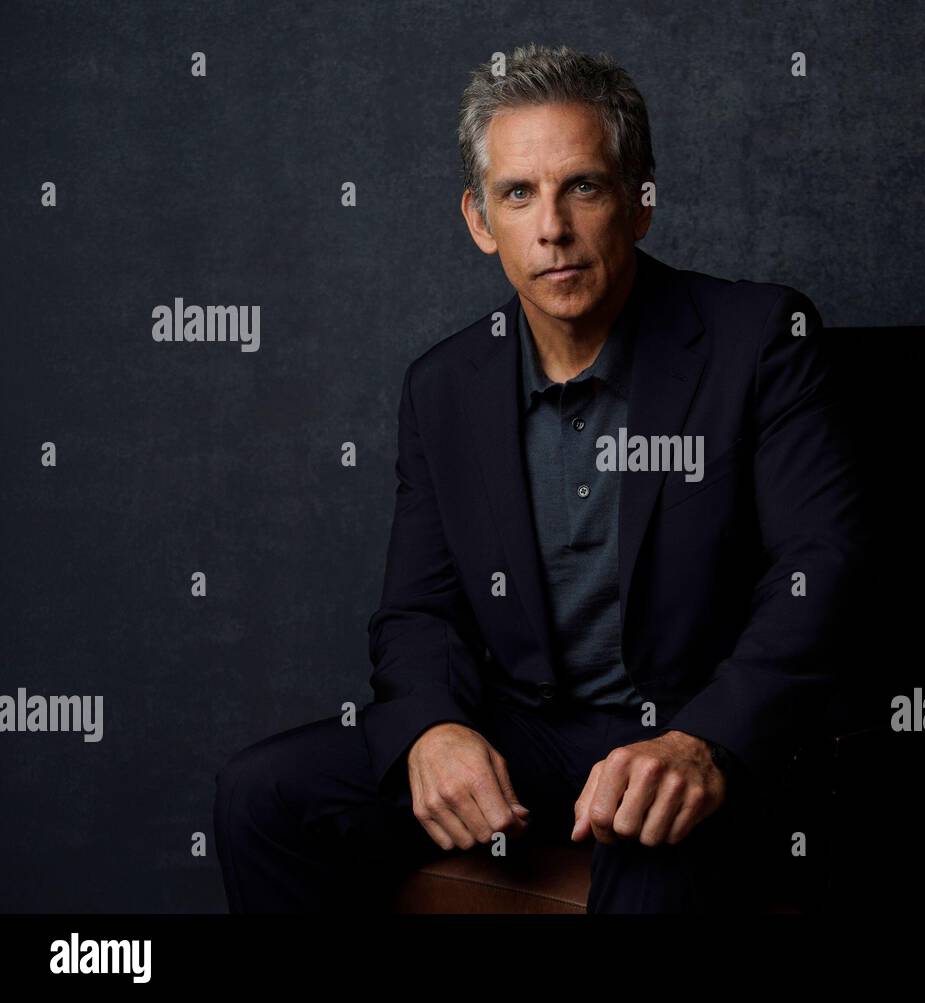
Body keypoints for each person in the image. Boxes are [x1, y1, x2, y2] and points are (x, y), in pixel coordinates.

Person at [213, 42, 865, 914]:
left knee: (648, 879)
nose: (551, 227)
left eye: (583, 187)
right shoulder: (443, 386)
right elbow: (418, 610)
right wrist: (431, 728)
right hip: (524, 734)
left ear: (639, 203)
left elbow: (819, 573)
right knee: (263, 796)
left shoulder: (758, 338)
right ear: (482, 222)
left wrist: (703, 740)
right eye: (518, 194)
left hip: (685, 727)